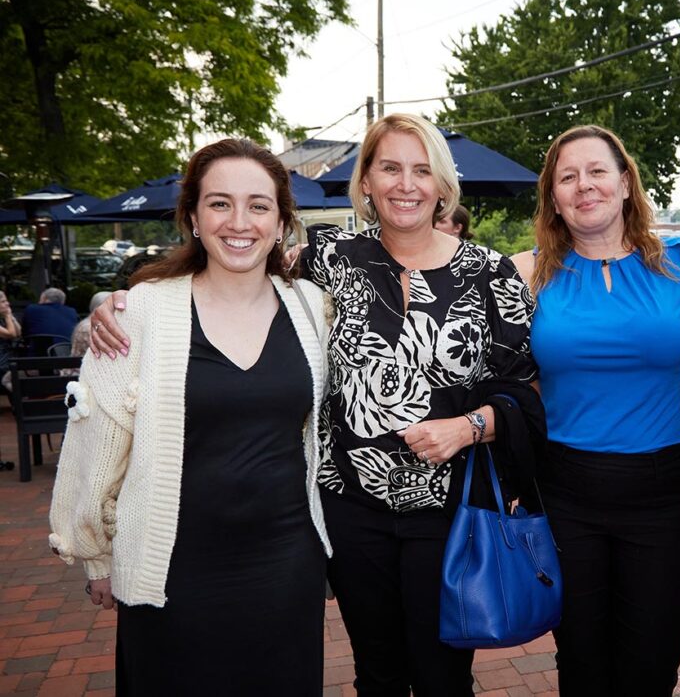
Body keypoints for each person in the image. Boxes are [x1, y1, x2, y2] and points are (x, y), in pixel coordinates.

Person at [89, 113, 541, 697]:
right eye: (390, 168)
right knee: (375, 672)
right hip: (349, 510)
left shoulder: (490, 274)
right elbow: (234, 280)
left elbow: (524, 388)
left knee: (442, 676)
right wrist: (125, 302)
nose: (406, 184)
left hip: (451, 512)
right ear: (367, 182)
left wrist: (470, 427)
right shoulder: (327, 260)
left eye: (421, 170)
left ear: (441, 185)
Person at [49, 138, 333, 696]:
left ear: (281, 222)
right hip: (175, 572)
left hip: (285, 567)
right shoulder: (141, 313)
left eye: (259, 205)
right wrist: (94, 554)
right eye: (220, 203)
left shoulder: (312, 309)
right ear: (193, 218)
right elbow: (98, 440)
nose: (240, 222)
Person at [510, 125, 680, 696]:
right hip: (566, 490)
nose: (585, 186)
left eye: (598, 171)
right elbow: (502, 381)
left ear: (626, 182)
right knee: (580, 660)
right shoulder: (526, 274)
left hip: (662, 493)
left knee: (650, 663)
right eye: (568, 176)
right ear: (553, 196)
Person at [21, 287, 78, 351]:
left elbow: (24, 332)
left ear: (44, 298)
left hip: (35, 354)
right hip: (65, 353)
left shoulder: (31, 309)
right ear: (62, 301)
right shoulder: (71, 312)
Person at [0, 290, 22, 390]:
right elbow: (11, 334)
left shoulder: (3, 319)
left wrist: (11, 317)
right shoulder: (5, 317)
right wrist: (8, 316)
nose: (7, 304)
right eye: (3, 302)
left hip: (7, 358)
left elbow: (18, 333)